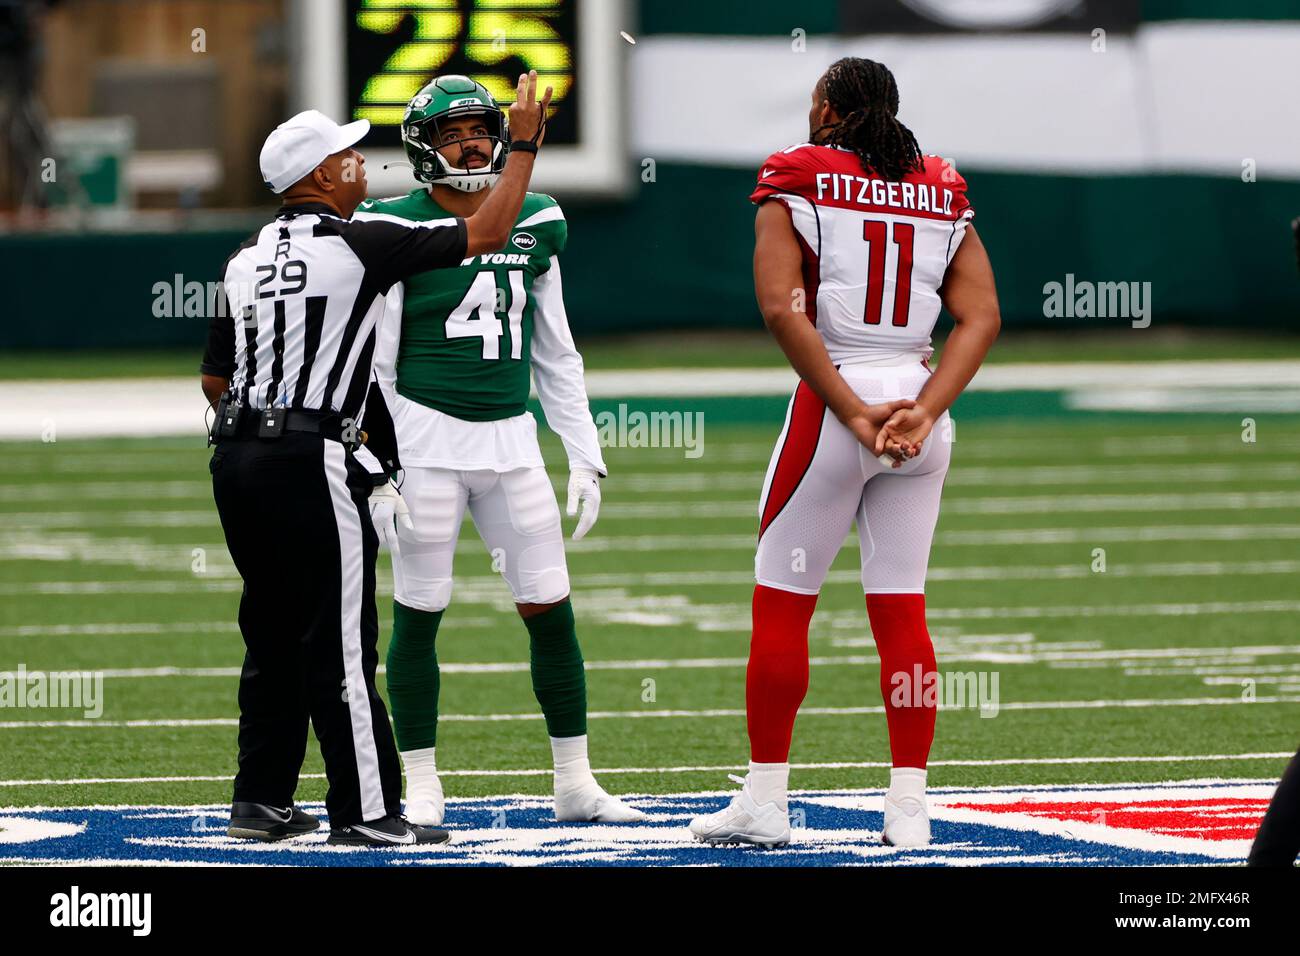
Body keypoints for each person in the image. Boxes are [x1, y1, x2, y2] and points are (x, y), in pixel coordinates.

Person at [199, 72, 551, 846]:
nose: (364, 165)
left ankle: (259, 801)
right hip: (307, 458)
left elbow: (215, 378)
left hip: (236, 458)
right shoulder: (360, 241)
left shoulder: (243, 261)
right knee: (341, 642)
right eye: (349, 157)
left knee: (271, 631)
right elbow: (488, 233)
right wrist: (522, 143)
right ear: (319, 177)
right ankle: (365, 811)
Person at [689, 57, 1000, 848]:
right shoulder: (940, 183)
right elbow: (982, 315)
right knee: (902, 606)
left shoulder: (798, 174)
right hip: (919, 406)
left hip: (840, 403)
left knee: (782, 601)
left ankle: (765, 800)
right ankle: (909, 808)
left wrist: (856, 412)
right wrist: (923, 411)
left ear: (827, 107)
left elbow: (780, 307)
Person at [356, 75, 643, 825]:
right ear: (422, 148)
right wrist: (380, 464)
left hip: (513, 440)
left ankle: (575, 781)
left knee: (551, 610)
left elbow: (558, 353)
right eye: (451, 134)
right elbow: (376, 362)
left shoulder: (538, 217)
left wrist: (584, 453)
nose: (471, 143)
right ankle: (420, 781)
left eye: (481, 129)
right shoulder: (393, 221)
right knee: (419, 611)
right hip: (423, 438)